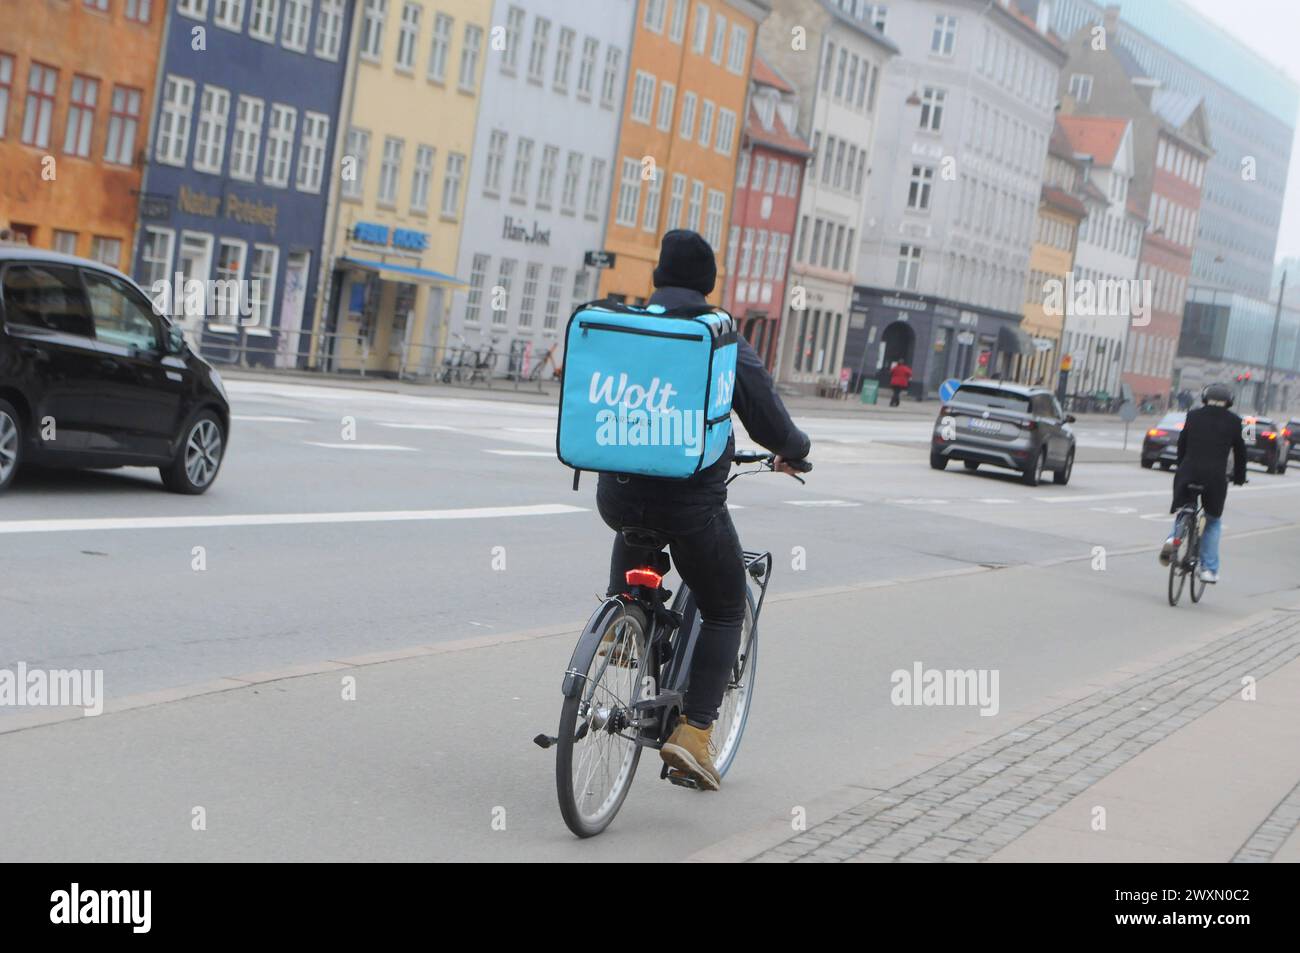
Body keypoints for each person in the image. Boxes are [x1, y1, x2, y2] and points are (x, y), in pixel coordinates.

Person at [596, 229, 811, 791]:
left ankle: (625, 625)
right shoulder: (718, 339)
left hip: (616, 494)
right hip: (690, 505)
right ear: (709, 285)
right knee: (723, 603)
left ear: (656, 279)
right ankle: (694, 733)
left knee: (638, 521)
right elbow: (768, 419)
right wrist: (794, 450)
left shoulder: (626, 325)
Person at [1159, 382, 1247, 583]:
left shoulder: (1193, 415)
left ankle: (1173, 539)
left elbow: (1182, 444)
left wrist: (1182, 467)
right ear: (1229, 402)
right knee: (1213, 521)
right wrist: (1240, 477)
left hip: (1188, 472)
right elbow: (1241, 452)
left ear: (1205, 398)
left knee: (1185, 510)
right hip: (1214, 477)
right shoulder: (1235, 421)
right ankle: (1209, 569)